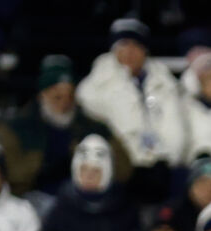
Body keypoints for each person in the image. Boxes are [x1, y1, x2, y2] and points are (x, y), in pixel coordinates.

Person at [76, 17, 185, 199]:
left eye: (136, 45)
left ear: (145, 50)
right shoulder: (99, 83)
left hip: (163, 164)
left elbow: (176, 128)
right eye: (123, 45)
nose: (129, 52)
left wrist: (165, 157)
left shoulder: (163, 81)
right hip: (124, 168)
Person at [0, 55, 129, 197]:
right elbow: (11, 176)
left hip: (86, 197)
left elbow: (125, 170)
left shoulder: (94, 127)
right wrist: (40, 161)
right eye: (57, 97)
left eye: (70, 96)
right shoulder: (17, 128)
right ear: (42, 95)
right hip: (34, 198)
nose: (64, 103)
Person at [40, 135, 139, 231]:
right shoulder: (59, 211)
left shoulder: (125, 210)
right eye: (84, 170)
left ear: (107, 172)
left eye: (95, 171)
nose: (88, 176)